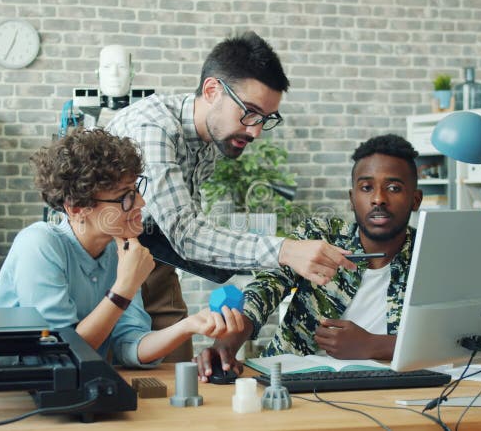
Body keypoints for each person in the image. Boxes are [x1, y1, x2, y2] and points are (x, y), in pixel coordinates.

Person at [106, 31, 358, 361]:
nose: (255, 131)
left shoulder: (210, 143)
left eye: (265, 119)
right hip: (106, 261)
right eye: (250, 112)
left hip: (154, 259)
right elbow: (187, 234)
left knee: (179, 370)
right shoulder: (152, 130)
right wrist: (285, 249)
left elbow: (178, 230)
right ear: (212, 90)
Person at [0, 128, 244, 368]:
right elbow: (60, 355)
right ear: (77, 208)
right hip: (1, 394)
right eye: (125, 196)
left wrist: (188, 326)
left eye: (136, 190)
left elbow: (129, 344)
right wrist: (124, 286)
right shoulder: (38, 245)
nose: (141, 202)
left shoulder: (119, 254)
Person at [195, 134, 424, 380]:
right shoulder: (320, 236)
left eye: (394, 188)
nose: (378, 199)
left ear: (415, 199)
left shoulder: (430, 256)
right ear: (351, 199)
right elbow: (265, 288)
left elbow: (458, 338)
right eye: (366, 187)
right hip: (291, 384)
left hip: (393, 389)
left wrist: (374, 345)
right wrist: (226, 345)